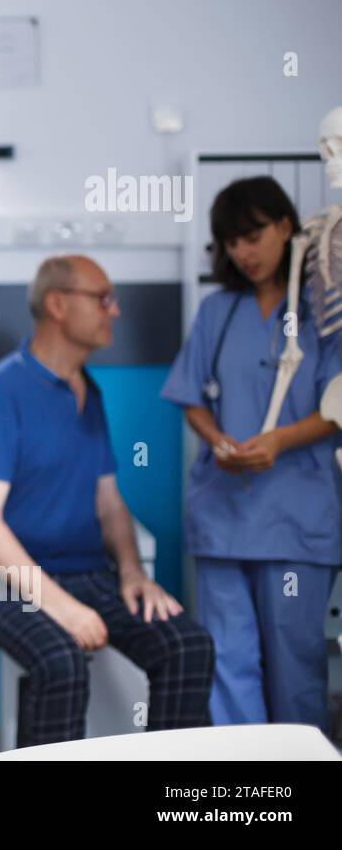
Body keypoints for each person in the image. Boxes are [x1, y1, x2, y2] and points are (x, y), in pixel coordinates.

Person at [0, 254, 214, 747]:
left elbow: (109, 503)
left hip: (84, 573)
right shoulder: (1, 389)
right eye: (102, 299)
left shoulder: (88, 393)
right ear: (57, 304)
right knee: (62, 659)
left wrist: (133, 573)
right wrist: (64, 608)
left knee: (188, 644)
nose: (113, 311)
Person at [162, 176, 341, 732]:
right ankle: (244, 786)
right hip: (223, 511)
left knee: (294, 662)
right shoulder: (219, 312)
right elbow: (190, 396)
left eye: (254, 234)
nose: (244, 251)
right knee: (227, 658)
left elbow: (339, 404)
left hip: (297, 514)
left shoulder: (324, 312)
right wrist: (219, 442)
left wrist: (279, 441)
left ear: (286, 226)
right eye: (231, 241)